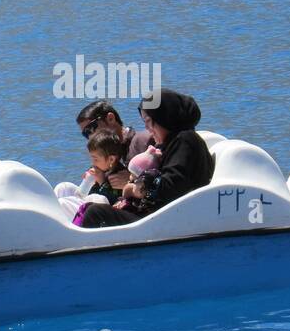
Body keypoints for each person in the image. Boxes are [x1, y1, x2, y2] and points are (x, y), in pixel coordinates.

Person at [79, 89, 213, 228]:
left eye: (149, 121)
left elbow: (171, 187)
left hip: (170, 220)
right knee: (90, 208)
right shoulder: (167, 145)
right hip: (157, 215)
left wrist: (137, 187)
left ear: (165, 117)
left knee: (96, 213)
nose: (147, 128)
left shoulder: (186, 140)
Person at [61, 130, 131, 223]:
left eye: (95, 159)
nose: (92, 162)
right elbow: (84, 193)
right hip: (86, 204)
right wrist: (89, 182)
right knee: (63, 187)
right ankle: (55, 215)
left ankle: (61, 218)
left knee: (63, 203)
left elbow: (111, 201)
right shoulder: (100, 169)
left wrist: (102, 182)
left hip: (99, 215)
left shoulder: (118, 177)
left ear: (111, 159)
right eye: (91, 158)